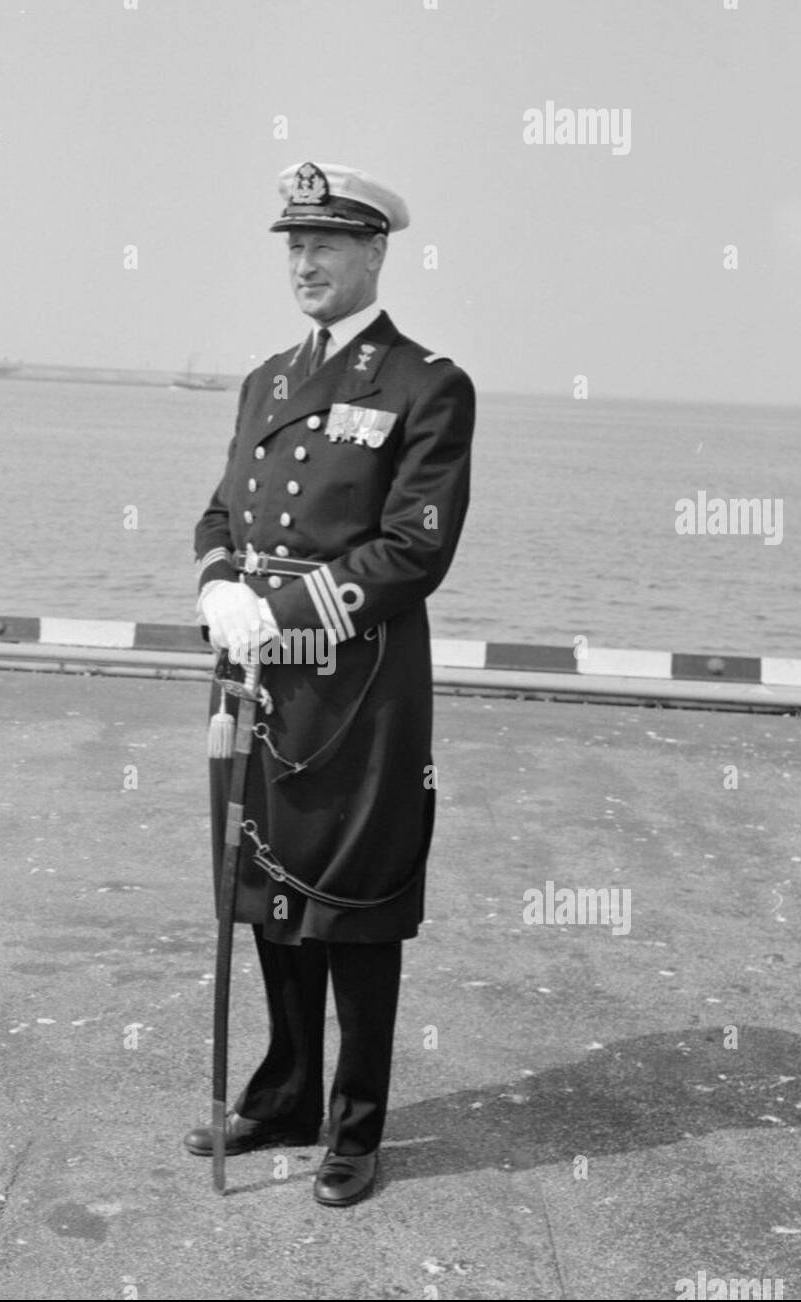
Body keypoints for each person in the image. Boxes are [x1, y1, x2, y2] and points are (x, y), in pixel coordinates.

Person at [185, 160, 475, 1206]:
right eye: (293, 245)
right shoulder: (266, 379)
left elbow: (412, 552)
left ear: (374, 252)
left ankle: (355, 1126)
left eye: (326, 244)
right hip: (256, 683)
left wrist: (288, 610)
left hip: (357, 690)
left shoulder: (426, 384)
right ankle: (287, 1092)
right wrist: (219, 585)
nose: (304, 262)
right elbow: (222, 513)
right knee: (266, 893)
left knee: (354, 906)